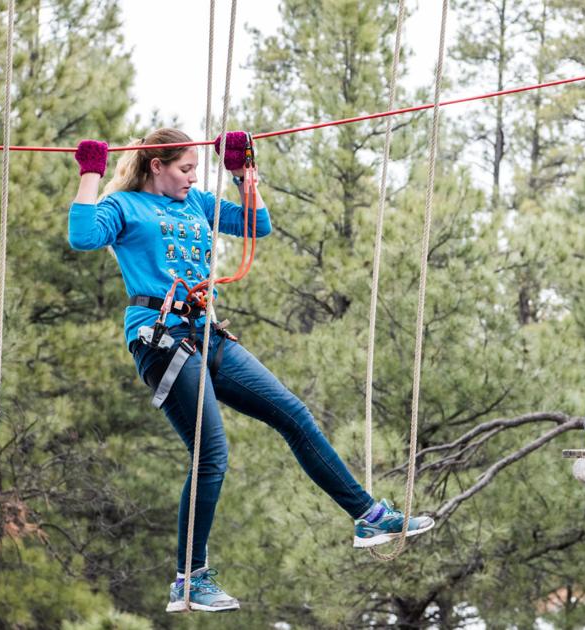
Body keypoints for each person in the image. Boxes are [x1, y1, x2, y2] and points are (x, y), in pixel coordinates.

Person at [67, 128, 433, 613]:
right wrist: (91, 174)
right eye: (184, 168)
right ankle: (189, 579)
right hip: (161, 339)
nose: (193, 177)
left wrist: (242, 175)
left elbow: (257, 225)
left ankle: (368, 516)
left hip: (207, 332)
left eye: (196, 168)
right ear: (156, 166)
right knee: (212, 453)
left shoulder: (196, 202)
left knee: (293, 415)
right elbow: (82, 234)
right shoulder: (124, 206)